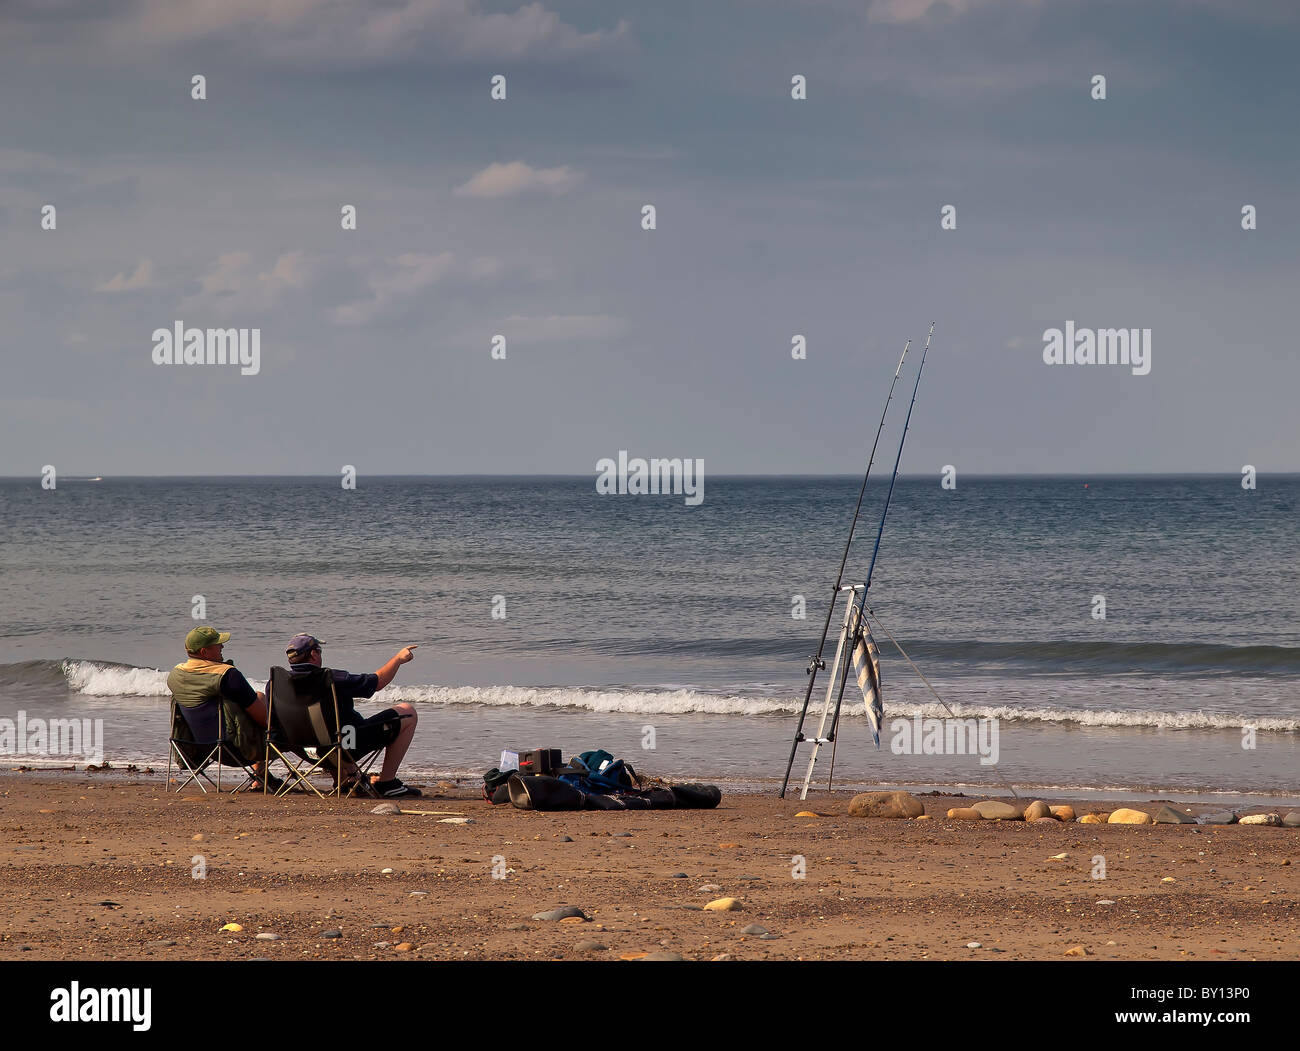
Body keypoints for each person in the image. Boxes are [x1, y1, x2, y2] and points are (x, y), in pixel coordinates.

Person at [282, 633, 422, 798]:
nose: (320, 654)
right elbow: (377, 682)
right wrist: (398, 659)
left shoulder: (277, 684)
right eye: (319, 650)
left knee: (333, 727)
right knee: (408, 712)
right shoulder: (330, 678)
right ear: (313, 654)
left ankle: (348, 779)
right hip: (343, 748)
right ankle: (387, 782)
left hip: (307, 751)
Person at [167, 626, 279, 791]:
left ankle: (261, 778)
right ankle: (261, 776)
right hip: (236, 750)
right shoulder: (227, 676)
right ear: (205, 652)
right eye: (218, 644)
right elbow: (265, 721)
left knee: (255, 700)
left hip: (200, 749)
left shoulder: (175, 675)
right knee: (262, 702)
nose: (222, 647)